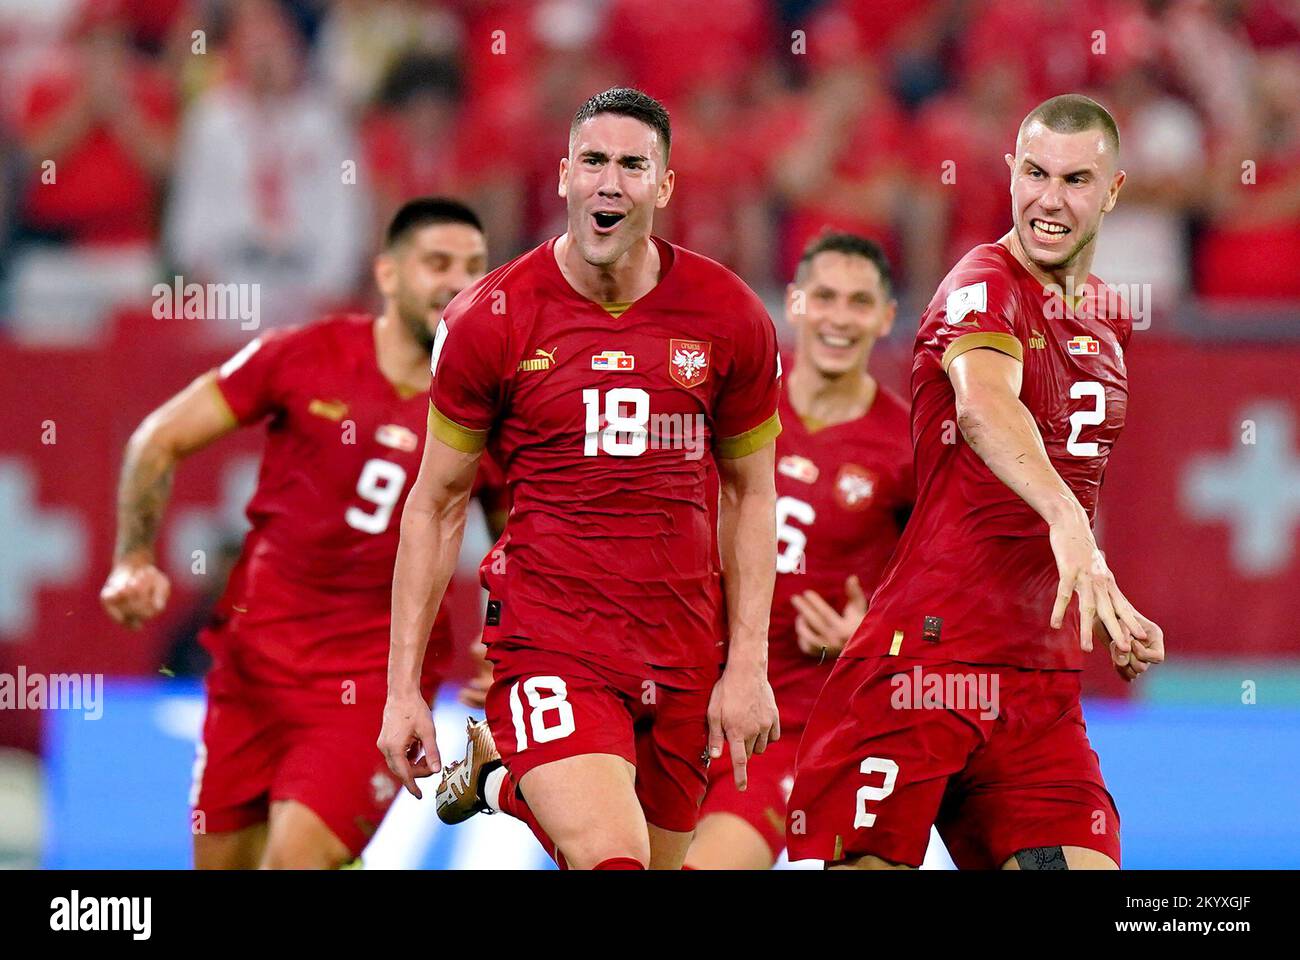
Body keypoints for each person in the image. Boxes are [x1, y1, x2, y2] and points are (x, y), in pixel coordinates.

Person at [379, 87, 783, 871]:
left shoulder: (729, 316)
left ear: (664, 187)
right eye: (594, 161)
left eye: (634, 166)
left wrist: (747, 664)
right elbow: (435, 503)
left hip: (681, 649)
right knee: (611, 857)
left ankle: (502, 776)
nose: (610, 183)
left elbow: (750, 492)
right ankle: (516, 763)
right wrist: (402, 690)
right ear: (564, 175)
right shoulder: (489, 319)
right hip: (551, 640)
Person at [787, 94, 1166, 871]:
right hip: (923, 662)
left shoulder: (1105, 318)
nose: (1049, 199)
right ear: (1010, 173)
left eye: (1075, 180)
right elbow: (986, 405)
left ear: (1115, 190)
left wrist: (1103, 591)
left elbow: (1063, 483)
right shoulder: (984, 282)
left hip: (1039, 681)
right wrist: (1069, 526)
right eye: (1034, 173)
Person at [100, 198, 491, 868]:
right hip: (253, 670)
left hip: (373, 685)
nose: (457, 282)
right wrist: (132, 557)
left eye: (475, 269)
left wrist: (504, 645)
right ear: (389, 275)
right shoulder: (304, 355)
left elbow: (523, 540)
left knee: (294, 861)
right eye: (437, 263)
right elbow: (157, 440)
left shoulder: (486, 408)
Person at [685, 232, 914, 869]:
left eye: (860, 302)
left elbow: (948, 593)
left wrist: (874, 639)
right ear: (794, 303)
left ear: (887, 316)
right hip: (678, 702)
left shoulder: (906, 449)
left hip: (789, 727)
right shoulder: (726, 410)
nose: (840, 318)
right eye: (825, 297)